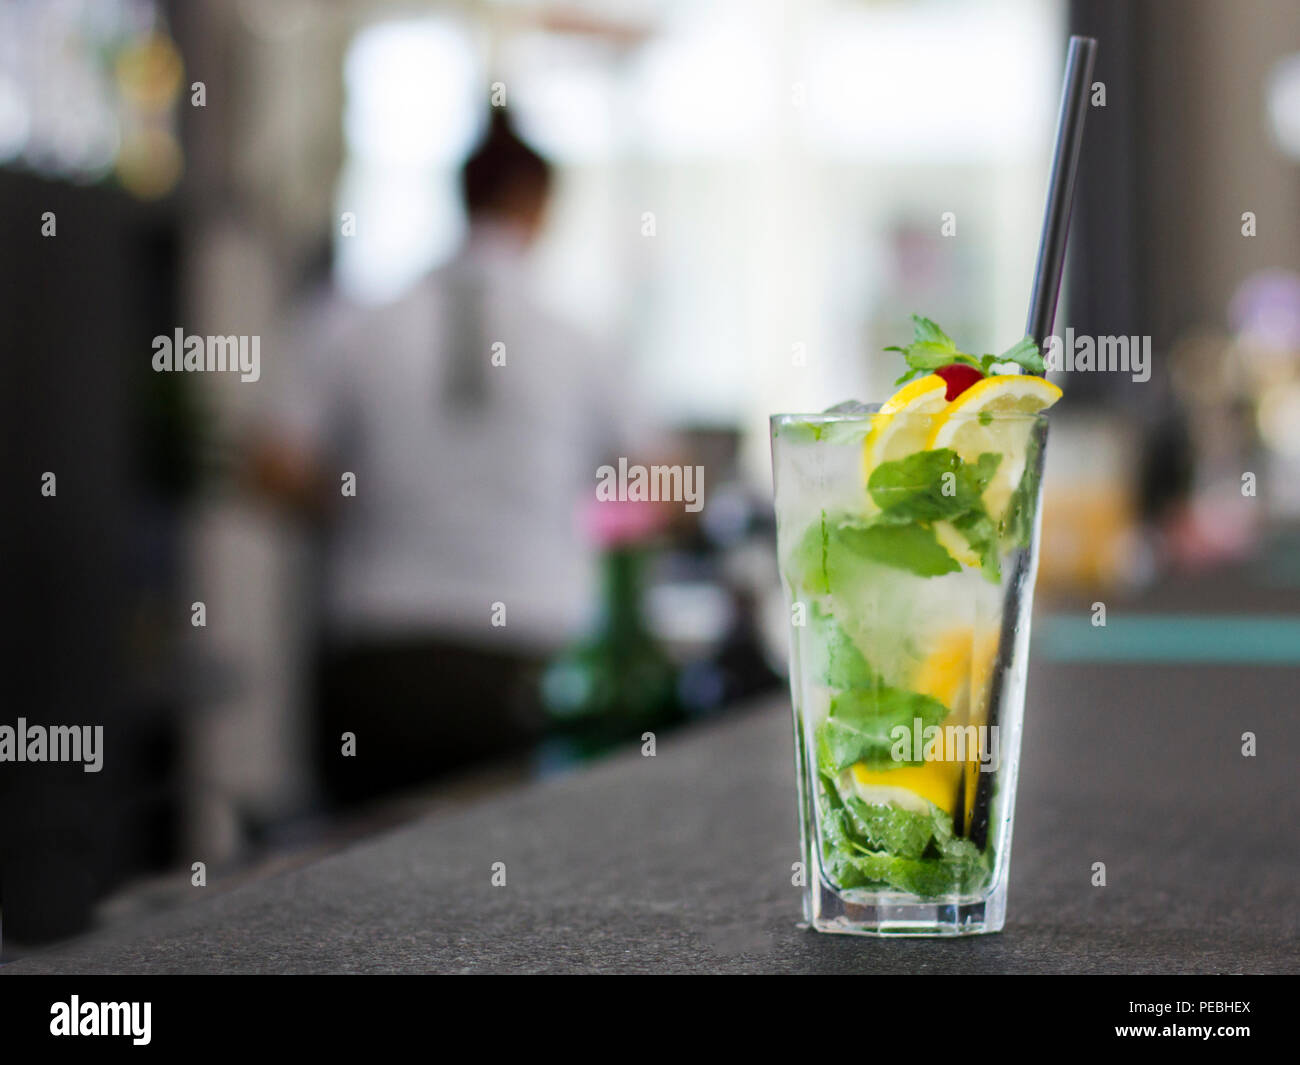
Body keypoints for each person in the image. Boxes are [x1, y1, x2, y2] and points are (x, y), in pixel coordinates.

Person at [252, 108, 626, 807]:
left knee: (360, 892)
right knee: (523, 898)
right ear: (536, 202)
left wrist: (374, 505)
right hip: (529, 661)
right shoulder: (580, 335)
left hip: (379, 660)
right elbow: (659, 489)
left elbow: (274, 467)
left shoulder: (357, 318)